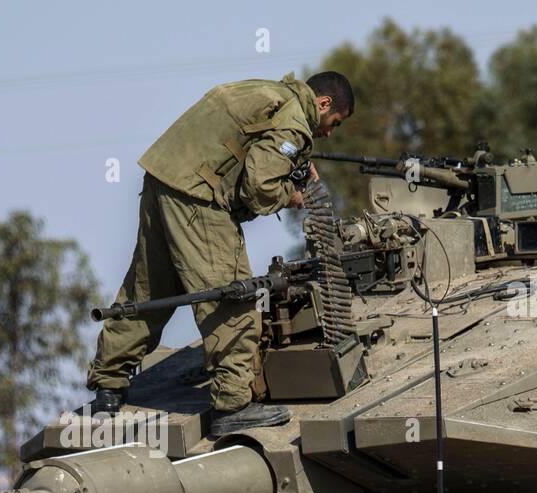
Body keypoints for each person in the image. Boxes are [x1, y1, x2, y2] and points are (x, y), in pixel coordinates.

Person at [87, 71, 354, 437]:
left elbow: (247, 144)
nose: (329, 133)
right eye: (334, 122)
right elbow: (257, 188)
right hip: (198, 197)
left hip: (164, 179)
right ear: (323, 104)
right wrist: (290, 196)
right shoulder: (293, 122)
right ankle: (233, 404)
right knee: (234, 298)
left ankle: (108, 384)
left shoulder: (270, 93)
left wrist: (295, 162)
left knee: (149, 291)